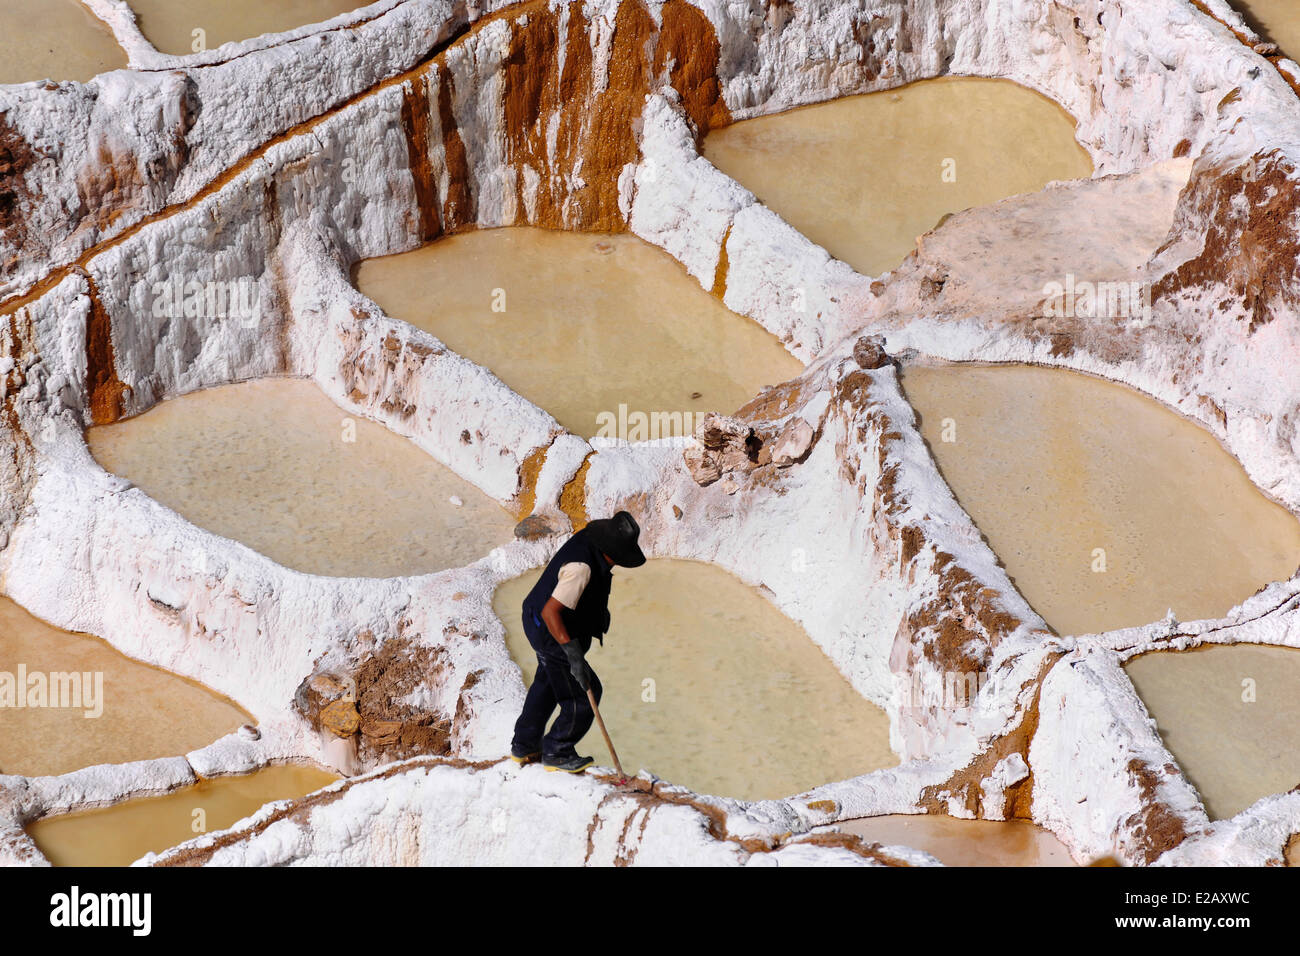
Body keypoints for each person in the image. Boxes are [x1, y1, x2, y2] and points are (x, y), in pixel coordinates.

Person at [510, 510, 645, 772]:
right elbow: (552, 612)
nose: (617, 564)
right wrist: (572, 654)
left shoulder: (591, 540)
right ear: (612, 552)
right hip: (550, 628)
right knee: (584, 694)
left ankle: (524, 745)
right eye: (618, 560)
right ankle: (557, 751)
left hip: (536, 616)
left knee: (548, 684)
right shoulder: (581, 568)